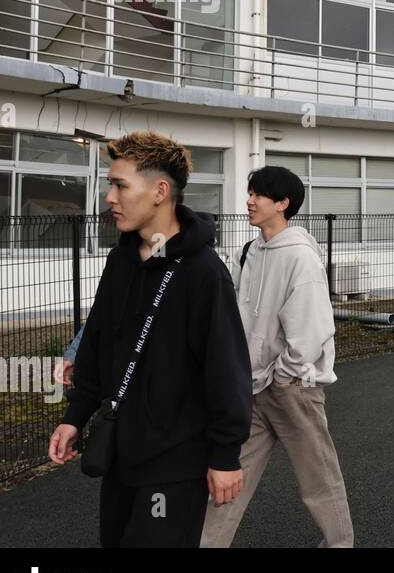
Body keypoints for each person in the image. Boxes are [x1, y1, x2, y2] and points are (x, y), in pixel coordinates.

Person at [48, 131, 252, 547]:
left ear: (160, 191)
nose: (110, 197)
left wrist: (226, 455)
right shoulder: (120, 259)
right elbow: (99, 342)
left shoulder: (205, 273)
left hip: (177, 462)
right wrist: (75, 415)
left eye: (120, 185)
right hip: (122, 453)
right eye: (111, 184)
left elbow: (226, 368)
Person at [201, 166, 353, 548]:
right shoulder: (249, 251)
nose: (249, 200)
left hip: (292, 388)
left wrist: (284, 374)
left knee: (318, 480)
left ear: (283, 204)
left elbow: (311, 327)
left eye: (259, 195)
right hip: (251, 387)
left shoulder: (301, 256)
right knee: (229, 474)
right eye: (250, 192)